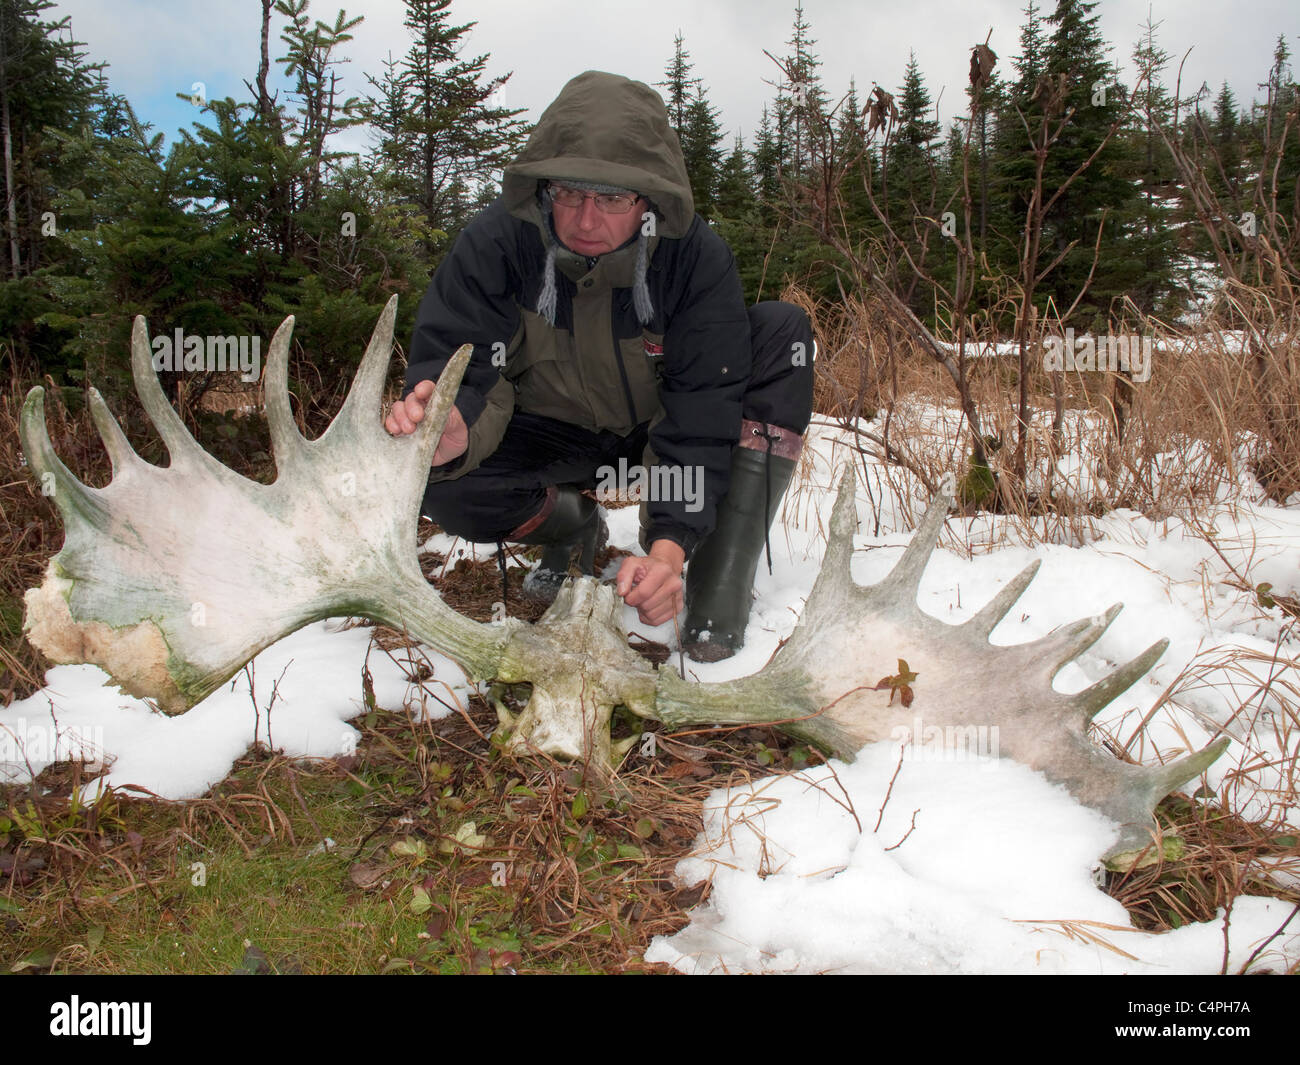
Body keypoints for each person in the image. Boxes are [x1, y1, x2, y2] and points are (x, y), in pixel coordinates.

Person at [385, 70, 813, 662]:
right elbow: (465, 358)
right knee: (443, 480)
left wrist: (668, 547)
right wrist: (453, 422)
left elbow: (700, 410)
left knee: (779, 331)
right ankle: (571, 528)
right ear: (543, 188)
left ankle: (717, 576)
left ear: (650, 202)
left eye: (612, 198)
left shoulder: (693, 259)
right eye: (569, 193)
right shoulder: (496, 244)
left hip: (656, 436)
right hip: (549, 434)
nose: (587, 220)